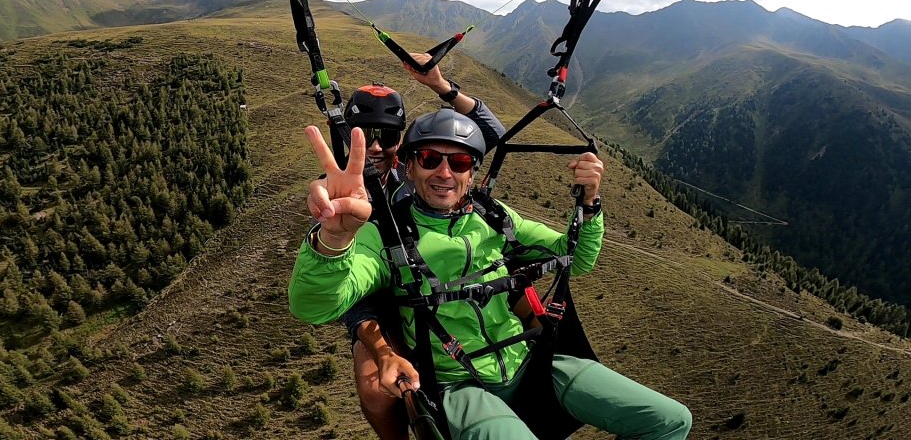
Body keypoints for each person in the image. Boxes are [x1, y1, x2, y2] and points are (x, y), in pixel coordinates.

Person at [290, 109, 692, 439]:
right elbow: (314, 306)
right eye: (430, 159)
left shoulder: (495, 218)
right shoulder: (387, 236)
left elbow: (576, 257)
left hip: (531, 363)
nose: (444, 173)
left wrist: (589, 203)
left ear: (472, 173)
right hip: (459, 384)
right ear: (409, 167)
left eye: (459, 161)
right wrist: (334, 238)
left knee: (670, 421)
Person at [329, 54, 506, 439]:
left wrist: (441, 87)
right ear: (347, 137)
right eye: (363, 135)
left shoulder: (416, 170)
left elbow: (490, 135)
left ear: (403, 143)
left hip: (429, 283)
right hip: (377, 297)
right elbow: (349, 293)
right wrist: (379, 346)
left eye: (387, 137)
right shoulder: (337, 193)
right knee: (377, 390)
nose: (375, 148)